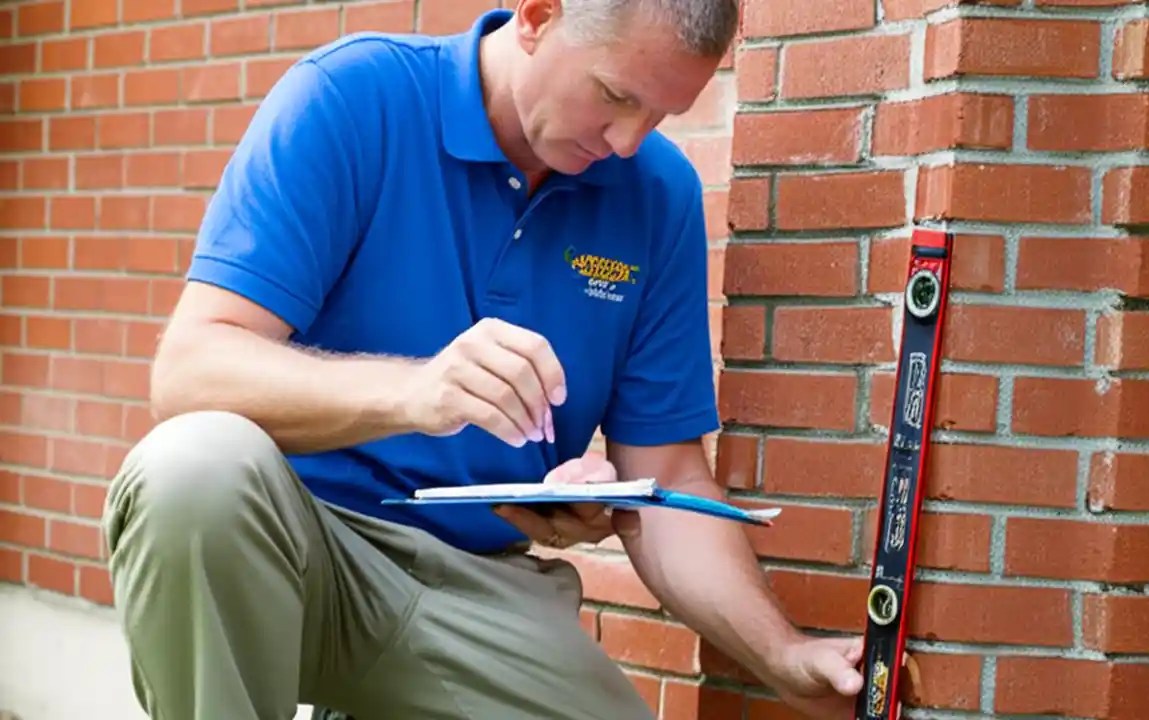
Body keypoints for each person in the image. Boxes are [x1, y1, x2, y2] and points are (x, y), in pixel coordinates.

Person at [101, 1, 865, 718]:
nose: (629, 141)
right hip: (293, 545)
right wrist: (413, 393)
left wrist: (782, 655)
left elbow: (667, 476)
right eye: (614, 95)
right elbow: (190, 370)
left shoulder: (657, 194)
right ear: (537, 15)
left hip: (476, 583)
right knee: (193, 469)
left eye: (662, 114)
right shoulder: (351, 99)